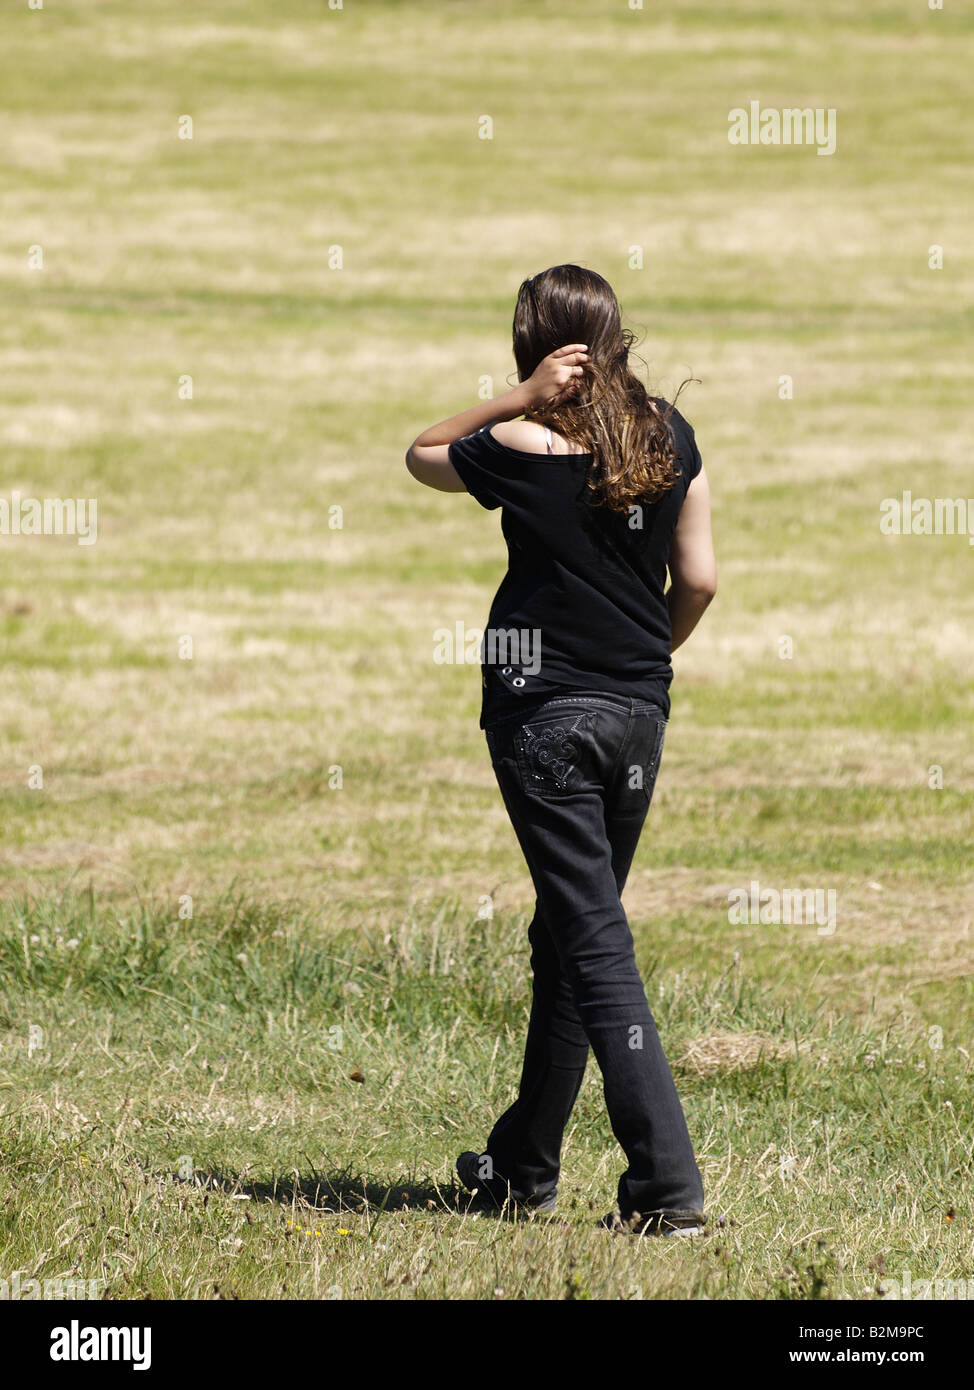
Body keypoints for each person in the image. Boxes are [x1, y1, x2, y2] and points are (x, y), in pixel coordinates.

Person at [405, 264, 717, 1237]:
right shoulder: (668, 434)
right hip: (637, 717)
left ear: (537, 349)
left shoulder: (516, 441)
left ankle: (665, 1189)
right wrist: (638, 655)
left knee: (591, 945)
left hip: (541, 718)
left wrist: (520, 395)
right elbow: (700, 579)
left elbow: (420, 451)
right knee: (569, 940)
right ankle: (519, 1168)